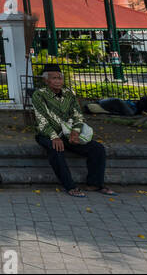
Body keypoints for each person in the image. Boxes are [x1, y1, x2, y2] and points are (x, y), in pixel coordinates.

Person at [31, 67, 115, 197]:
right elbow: (41, 119)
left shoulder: (69, 94)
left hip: (68, 133)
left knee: (97, 149)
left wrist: (75, 132)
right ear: (46, 80)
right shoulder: (39, 94)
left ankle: (94, 184)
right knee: (56, 150)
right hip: (46, 134)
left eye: (60, 78)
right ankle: (70, 186)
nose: (58, 81)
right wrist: (54, 137)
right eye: (54, 78)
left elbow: (78, 115)